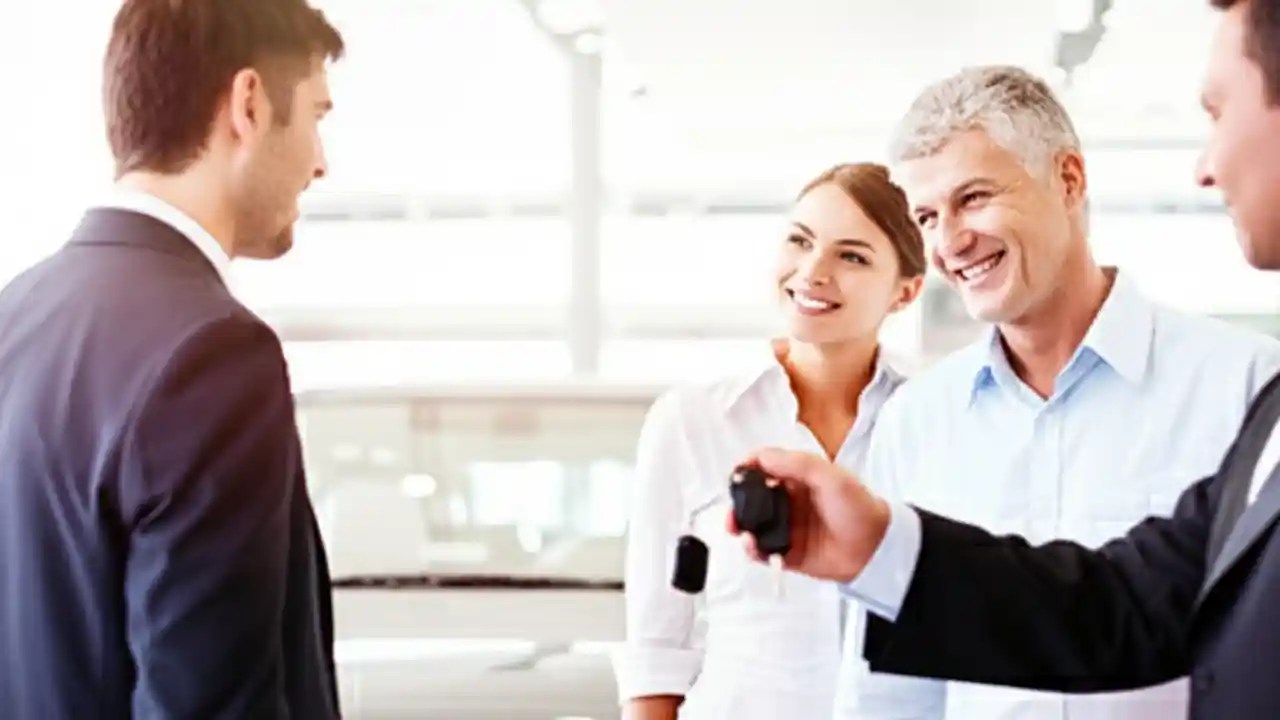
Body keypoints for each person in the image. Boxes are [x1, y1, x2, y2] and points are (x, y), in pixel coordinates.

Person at [729, 2, 1280, 719]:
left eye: (976, 198)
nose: (950, 241)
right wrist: (884, 545)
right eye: (927, 218)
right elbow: (1114, 607)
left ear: (1071, 181)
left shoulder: (1244, 385)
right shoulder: (917, 419)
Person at [0, 1, 344, 717]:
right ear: (248, 104)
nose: (320, 162)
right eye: (316, 114)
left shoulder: (16, 315)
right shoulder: (215, 354)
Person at [612, 163, 926, 720]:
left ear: (906, 292)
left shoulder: (937, 418)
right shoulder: (694, 420)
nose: (813, 271)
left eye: (851, 256)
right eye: (800, 241)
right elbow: (655, 648)